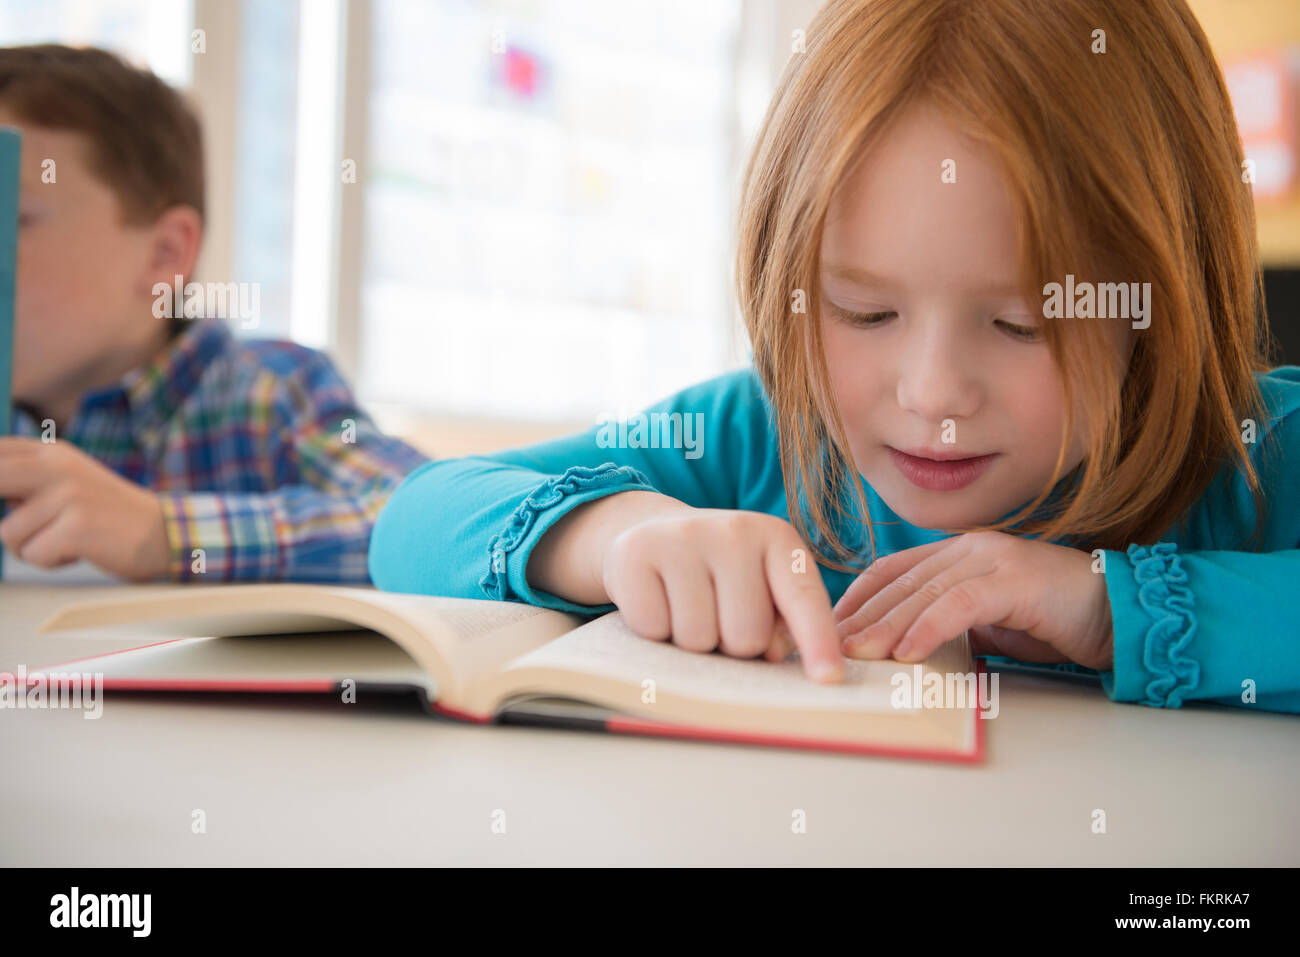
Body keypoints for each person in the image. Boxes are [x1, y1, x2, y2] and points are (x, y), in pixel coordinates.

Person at [369, 0, 1300, 714]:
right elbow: (412, 516)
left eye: (1024, 325)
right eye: (864, 312)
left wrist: (1107, 609)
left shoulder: (1258, 454)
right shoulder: (752, 438)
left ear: (1159, 304)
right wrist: (613, 538)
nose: (933, 391)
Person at [0, 45, 428, 582]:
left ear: (163, 255)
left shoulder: (271, 392)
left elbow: (427, 519)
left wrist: (165, 531)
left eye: (13, 217)